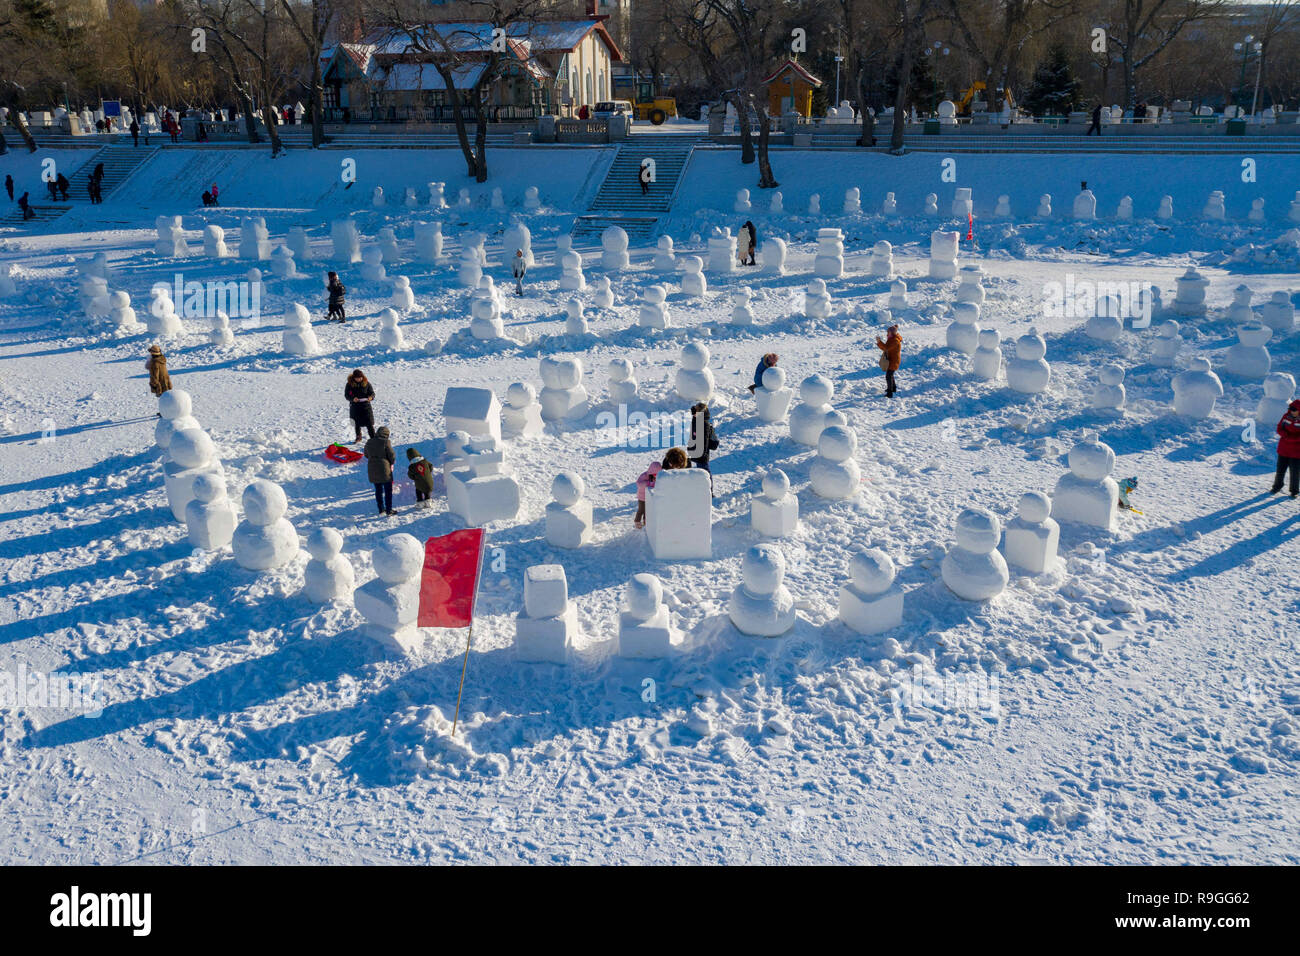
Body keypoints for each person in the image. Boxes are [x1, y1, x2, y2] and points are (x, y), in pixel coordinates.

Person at [632, 447, 689, 528]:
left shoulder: (686, 466)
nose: (673, 467)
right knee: (642, 510)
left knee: (647, 511)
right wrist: (651, 484)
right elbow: (641, 483)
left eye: (677, 466)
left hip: (650, 497)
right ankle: (639, 522)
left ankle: (645, 522)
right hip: (642, 497)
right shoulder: (661, 467)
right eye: (672, 465)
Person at [1271, 400, 1300, 498]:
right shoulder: (1285, 416)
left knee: (1295, 472)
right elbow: (1279, 428)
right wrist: (1285, 435)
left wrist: (1290, 437)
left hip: (1296, 452)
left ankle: (1294, 491)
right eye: (1290, 409)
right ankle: (1277, 486)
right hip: (1283, 449)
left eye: (1294, 409)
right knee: (1280, 470)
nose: (1291, 411)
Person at [365, 426, 396, 516]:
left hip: (372, 468)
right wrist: (391, 462)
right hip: (384, 467)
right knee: (388, 490)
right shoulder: (386, 442)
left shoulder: (369, 442)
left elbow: (366, 454)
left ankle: (381, 509)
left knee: (378, 490)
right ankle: (389, 510)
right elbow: (392, 455)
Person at [687, 402, 718, 492]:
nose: (694, 413)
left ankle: (709, 491)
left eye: (696, 411)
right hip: (697, 451)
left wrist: (701, 454)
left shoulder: (704, 424)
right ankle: (703, 490)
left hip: (701, 454)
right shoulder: (698, 420)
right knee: (701, 472)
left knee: (706, 473)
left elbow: (704, 441)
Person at [345, 369, 375, 442]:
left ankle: (373, 437)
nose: (359, 379)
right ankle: (358, 436)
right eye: (357, 378)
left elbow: (372, 393)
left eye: (360, 377)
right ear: (354, 377)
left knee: (369, 423)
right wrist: (352, 399)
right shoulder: (349, 384)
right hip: (355, 406)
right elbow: (347, 395)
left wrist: (371, 397)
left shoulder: (367, 383)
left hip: (366, 406)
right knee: (356, 423)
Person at [876, 324, 902, 398]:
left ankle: (890, 393)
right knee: (890, 375)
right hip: (891, 360)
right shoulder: (891, 339)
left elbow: (886, 348)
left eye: (888, 332)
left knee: (888, 376)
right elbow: (886, 348)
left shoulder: (895, 341)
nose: (887, 333)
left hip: (893, 361)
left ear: (892, 333)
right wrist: (880, 342)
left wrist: (879, 342)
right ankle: (893, 388)